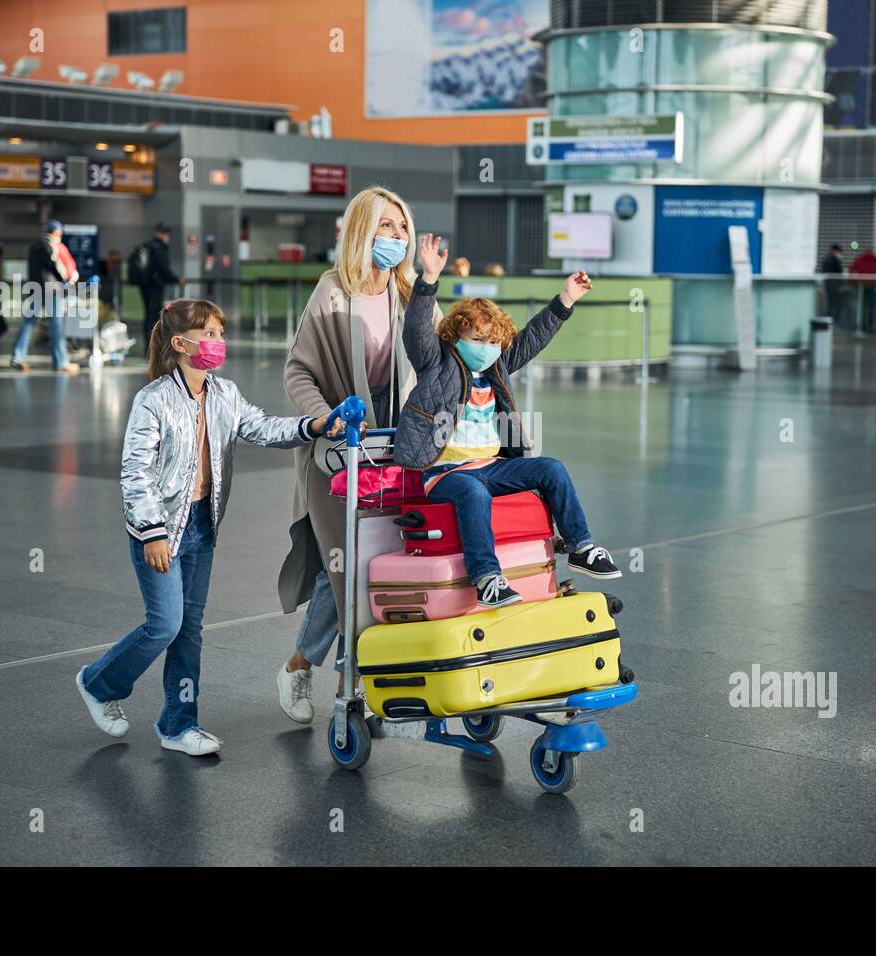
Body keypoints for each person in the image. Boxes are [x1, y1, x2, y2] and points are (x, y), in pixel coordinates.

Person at [75, 298, 353, 756]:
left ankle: (178, 724)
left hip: (201, 527)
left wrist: (317, 424)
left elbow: (263, 427)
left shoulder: (224, 395)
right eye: (209, 334)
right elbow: (134, 472)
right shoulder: (154, 400)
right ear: (180, 343)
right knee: (164, 624)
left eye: (221, 334)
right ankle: (99, 682)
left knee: (189, 630)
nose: (218, 343)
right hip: (161, 531)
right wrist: (152, 533)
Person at [275, 185, 438, 725]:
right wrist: (324, 417)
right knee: (342, 561)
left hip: (391, 449)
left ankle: (326, 671)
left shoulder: (410, 294)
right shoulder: (332, 292)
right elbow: (297, 369)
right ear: (361, 229)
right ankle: (337, 679)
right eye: (385, 226)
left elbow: (438, 363)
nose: (394, 236)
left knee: (369, 563)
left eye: (401, 227)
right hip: (334, 452)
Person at [395, 234, 619, 609]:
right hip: (447, 473)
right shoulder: (438, 363)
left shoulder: (496, 367)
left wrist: (565, 301)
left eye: (493, 340)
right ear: (456, 335)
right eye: (477, 338)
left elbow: (531, 339)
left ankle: (581, 546)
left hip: (492, 467)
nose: (486, 347)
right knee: (473, 493)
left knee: (551, 469)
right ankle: (487, 579)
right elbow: (416, 331)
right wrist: (429, 279)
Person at [11, 220, 79, 373]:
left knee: (29, 323)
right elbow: (54, 264)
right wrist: (66, 278)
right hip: (51, 289)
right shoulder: (48, 244)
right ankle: (61, 361)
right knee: (57, 326)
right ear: (57, 232)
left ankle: (18, 356)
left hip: (36, 288)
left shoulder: (34, 244)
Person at [135, 223, 184, 348]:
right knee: (154, 316)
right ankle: (153, 346)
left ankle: (148, 345)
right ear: (160, 233)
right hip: (155, 286)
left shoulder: (147, 246)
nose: (167, 236)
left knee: (148, 315)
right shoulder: (159, 248)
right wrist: (176, 279)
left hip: (144, 285)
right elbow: (164, 269)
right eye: (165, 233)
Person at [848, 247, 876, 332]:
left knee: (863, 306)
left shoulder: (860, 258)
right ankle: (870, 326)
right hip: (871, 285)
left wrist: (853, 281)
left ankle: (862, 325)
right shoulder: (874, 259)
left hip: (862, 285)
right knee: (870, 306)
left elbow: (851, 269)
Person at [818, 244, 844, 328]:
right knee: (833, 304)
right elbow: (839, 272)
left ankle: (830, 322)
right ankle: (832, 322)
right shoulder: (833, 260)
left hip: (829, 285)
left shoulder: (827, 259)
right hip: (833, 285)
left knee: (831, 304)